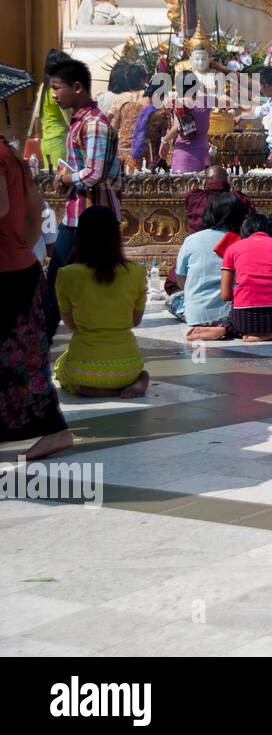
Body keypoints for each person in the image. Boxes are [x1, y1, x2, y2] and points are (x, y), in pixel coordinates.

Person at [0, 136, 71, 460]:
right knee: (23, 357)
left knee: (21, 358)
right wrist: (20, 249)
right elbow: (35, 208)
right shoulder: (10, 155)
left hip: (8, 273)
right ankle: (54, 430)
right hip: (19, 269)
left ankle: (55, 430)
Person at [44, 57, 122, 341]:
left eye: (57, 88)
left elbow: (94, 174)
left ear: (77, 87)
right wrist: (65, 175)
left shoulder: (94, 124)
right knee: (60, 278)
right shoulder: (79, 122)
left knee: (78, 279)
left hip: (94, 217)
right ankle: (45, 338)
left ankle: (97, 339)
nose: (54, 95)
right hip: (78, 213)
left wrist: (66, 178)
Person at [52, 205, 149, 399]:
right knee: (142, 372)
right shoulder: (137, 272)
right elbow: (134, 321)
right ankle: (136, 382)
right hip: (127, 365)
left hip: (84, 368)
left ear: (80, 237)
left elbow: (71, 325)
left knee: (60, 369)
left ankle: (99, 389)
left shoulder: (67, 275)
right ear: (116, 237)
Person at [186, 213, 272, 341]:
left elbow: (225, 296)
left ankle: (226, 328)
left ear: (244, 230)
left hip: (244, 320)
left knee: (233, 318)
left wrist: (247, 291)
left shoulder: (232, 249)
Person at [168, 193, 248, 331]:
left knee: (173, 299)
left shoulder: (192, 240)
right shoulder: (243, 241)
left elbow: (181, 280)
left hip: (198, 317)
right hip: (233, 315)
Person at [162, 72, 214, 174]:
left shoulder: (179, 103)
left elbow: (176, 127)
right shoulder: (207, 101)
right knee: (200, 188)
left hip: (183, 155)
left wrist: (164, 141)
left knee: (182, 187)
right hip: (202, 155)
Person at [30, 49, 71, 171]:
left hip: (47, 142)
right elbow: (69, 119)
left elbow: (38, 117)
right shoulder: (58, 89)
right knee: (61, 184)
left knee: (51, 183)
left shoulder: (44, 87)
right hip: (59, 141)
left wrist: (39, 137)